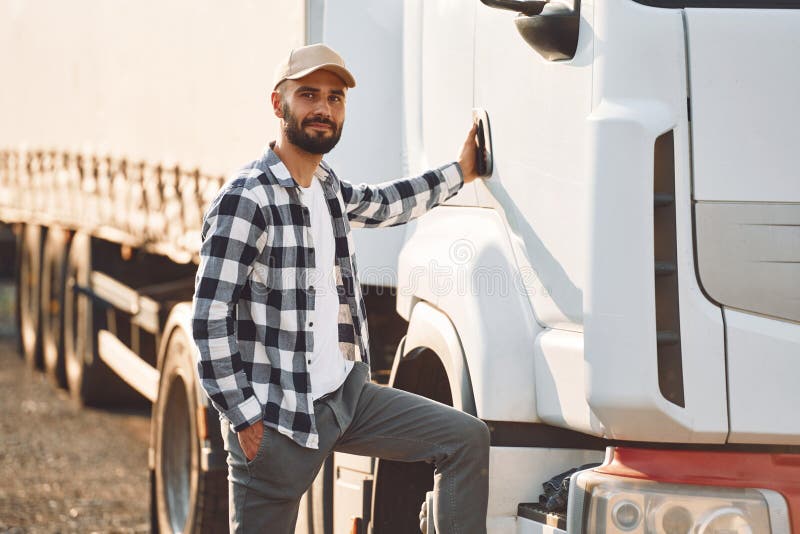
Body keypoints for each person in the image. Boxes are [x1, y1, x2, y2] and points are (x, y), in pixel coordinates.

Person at [192, 43, 489, 533]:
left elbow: (386, 203)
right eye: (308, 95)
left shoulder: (325, 186)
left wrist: (461, 172)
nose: (323, 109)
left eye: (334, 98)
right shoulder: (246, 200)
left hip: (344, 401)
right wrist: (245, 420)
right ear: (277, 104)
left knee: (465, 439)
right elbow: (208, 319)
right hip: (278, 420)